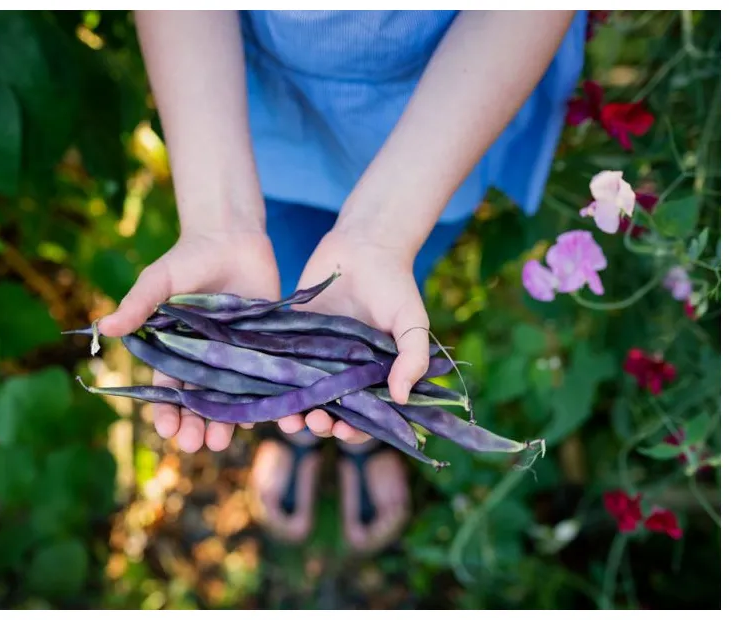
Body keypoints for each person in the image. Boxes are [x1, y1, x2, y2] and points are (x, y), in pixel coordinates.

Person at [98, 10, 586, 553]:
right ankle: (313, 417)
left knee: (382, 288)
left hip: (450, 114)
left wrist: (383, 235)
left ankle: (344, 421)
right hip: (251, 113)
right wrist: (219, 217)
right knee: (282, 279)